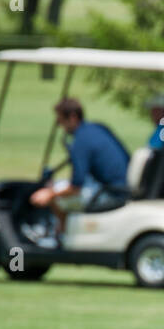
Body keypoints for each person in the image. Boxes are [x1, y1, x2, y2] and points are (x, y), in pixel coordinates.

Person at [28, 98, 130, 243]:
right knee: (57, 187)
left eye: (60, 120)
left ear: (73, 117)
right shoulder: (98, 127)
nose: (59, 124)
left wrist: (49, 194)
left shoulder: (81, 142)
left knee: (55, 197)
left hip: (111, 193)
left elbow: (76, 186)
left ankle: (60, 238)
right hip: (121, 186)